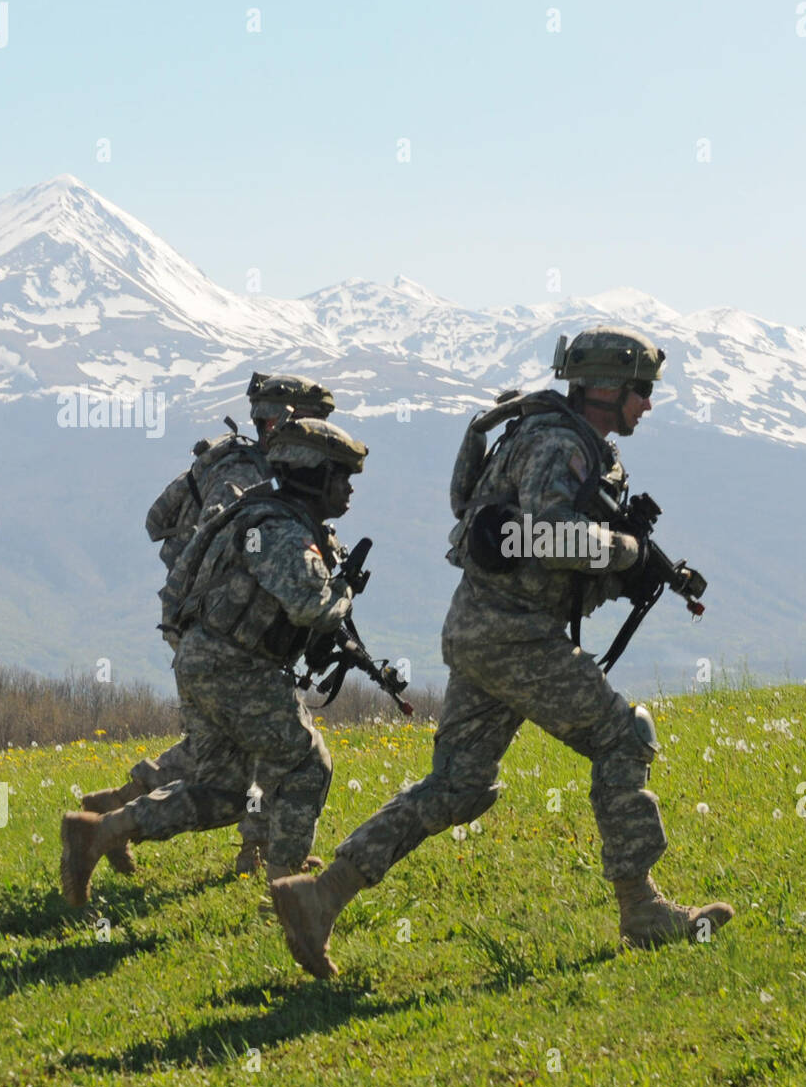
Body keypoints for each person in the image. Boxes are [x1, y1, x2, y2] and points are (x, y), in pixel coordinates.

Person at [271, 327, 734, 979]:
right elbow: (547, 536)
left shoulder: (550, 436)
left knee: (457, 788)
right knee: (623, 737)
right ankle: (642, 911)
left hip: (482, 631)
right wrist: (623, 553)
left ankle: (320, 896)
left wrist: (622, 567)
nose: (646, 406)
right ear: (608, 388)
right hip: (514, 636)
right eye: (641, 392)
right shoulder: (557, 443)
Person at [60, 419, 366, 908]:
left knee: (225, 793)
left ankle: (100, 831)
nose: (349, 489)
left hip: (208, 661)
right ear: (313, 476)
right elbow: (309, 606)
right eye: (341, 477)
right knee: (308, 761)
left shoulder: (264, 514)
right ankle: (289, 888)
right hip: (236, 668)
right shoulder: (282, 530)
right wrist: (344, 596)